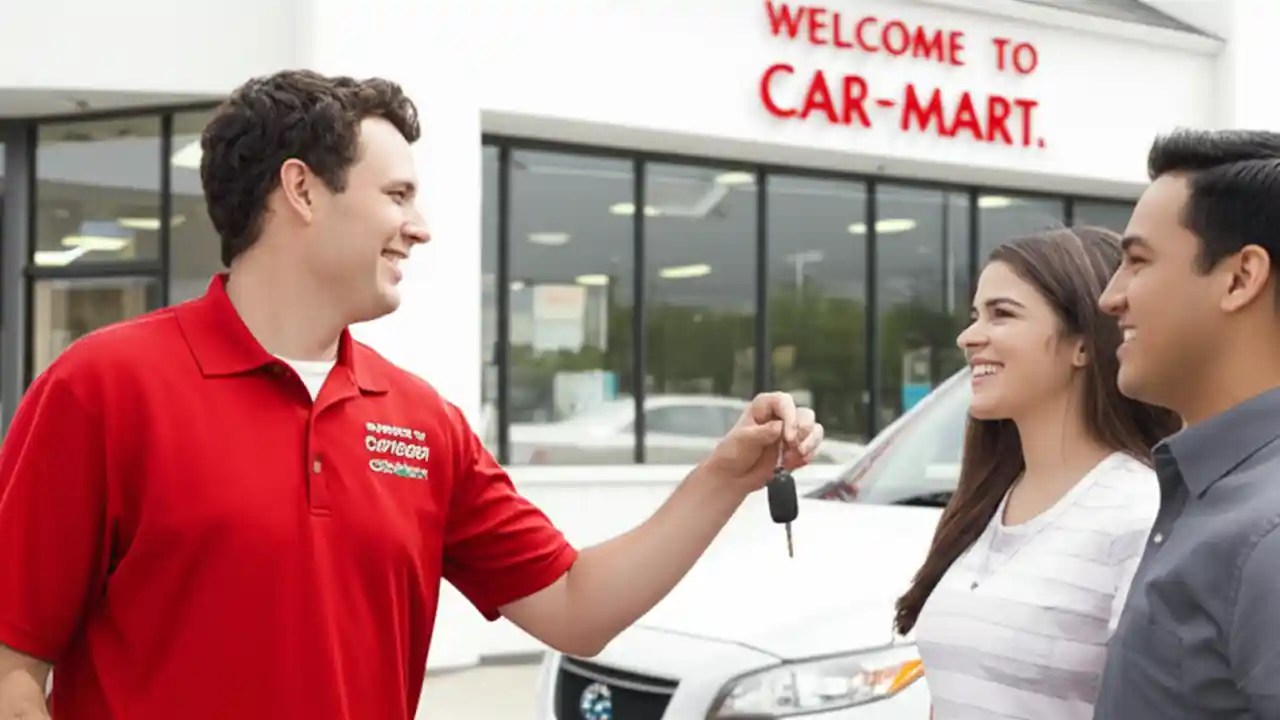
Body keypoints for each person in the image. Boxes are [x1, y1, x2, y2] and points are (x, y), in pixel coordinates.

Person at [0, 70, 824, 720]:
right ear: (302, 190)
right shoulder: (103, 388)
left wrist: (725, 476)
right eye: (396, 195)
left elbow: (576, 608)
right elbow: (12, 666)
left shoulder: (421, 422)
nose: (421, 226)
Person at [894, 227, 1181, 719]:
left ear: (1085, 345)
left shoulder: (1140, 512)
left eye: (1001, 314)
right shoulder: (988, 501)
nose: (969, 337)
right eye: (974, 316)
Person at [1092, 130, 1280, 718]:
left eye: (1138, 261)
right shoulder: (1209, 492)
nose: (1109, 297)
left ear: (1240, 278)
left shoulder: (1265, 534)